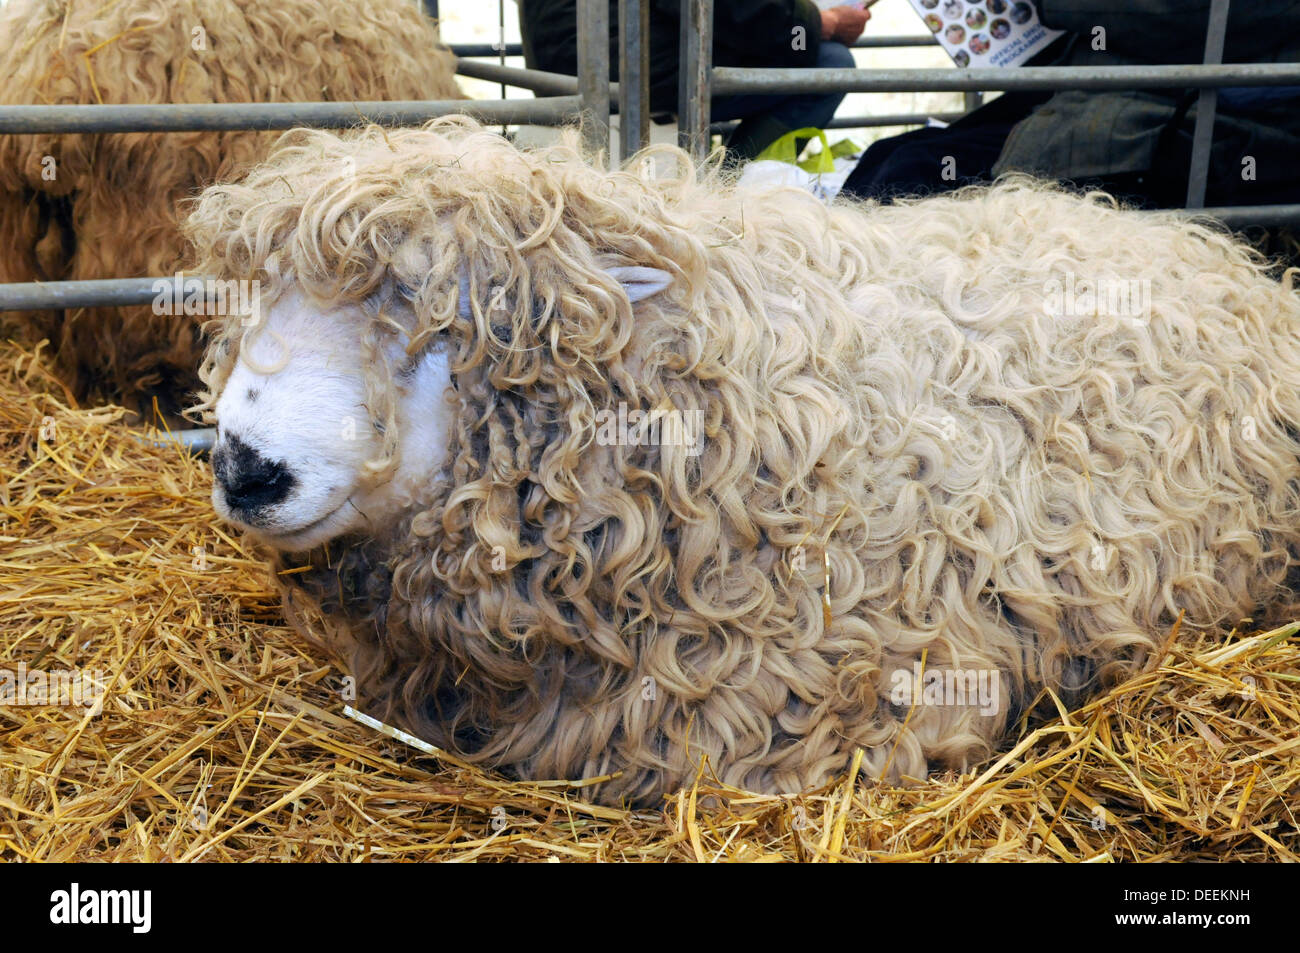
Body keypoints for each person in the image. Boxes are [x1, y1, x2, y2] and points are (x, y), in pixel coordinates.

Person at [840, 1, 1300, 211]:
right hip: (1120, 85)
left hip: (1190, 117)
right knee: (891, 155)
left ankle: (866, 342)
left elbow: (1181, 18)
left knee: (910, 171)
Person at [518, 0, 871, 161]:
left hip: (567, 69)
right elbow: (743, 14)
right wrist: (818, 24)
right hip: (633, 71)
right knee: (831, 64)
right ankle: (733, 191)